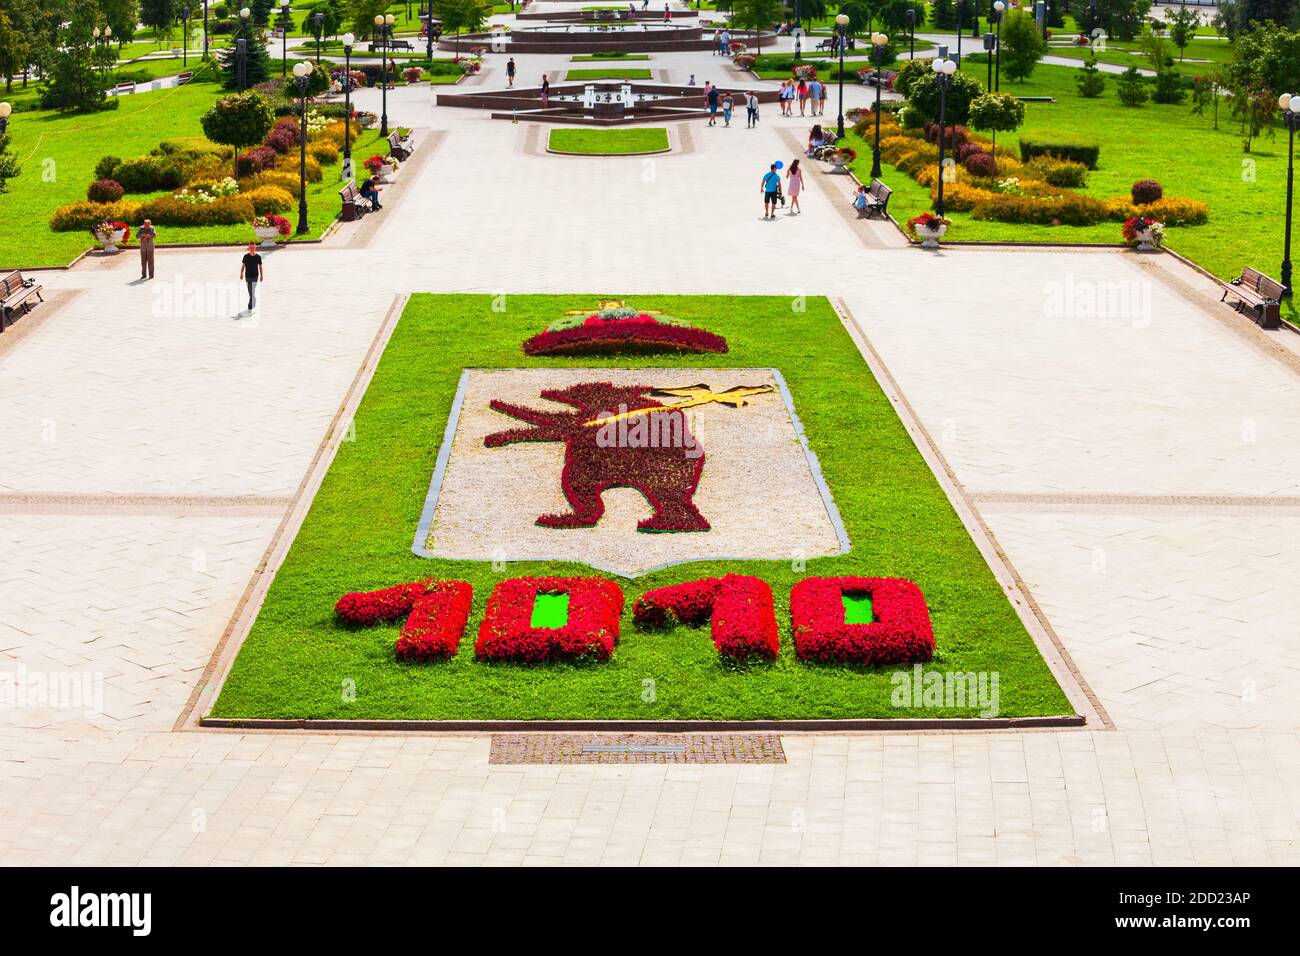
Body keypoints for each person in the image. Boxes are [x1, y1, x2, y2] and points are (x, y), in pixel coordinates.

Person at [239, 242, 264, 313]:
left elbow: (260, 267)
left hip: (255, 276)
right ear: (249, 248)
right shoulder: (245, 256)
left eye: (253, 248)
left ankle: (250, 306)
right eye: (250, 248)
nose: (252, 249)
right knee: (250, 291)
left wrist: (262, 276)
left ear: (255, 248)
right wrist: (241, 274)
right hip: (247, 276)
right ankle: (253, 300)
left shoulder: (258, 257)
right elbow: (243, 266)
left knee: (252, 290)